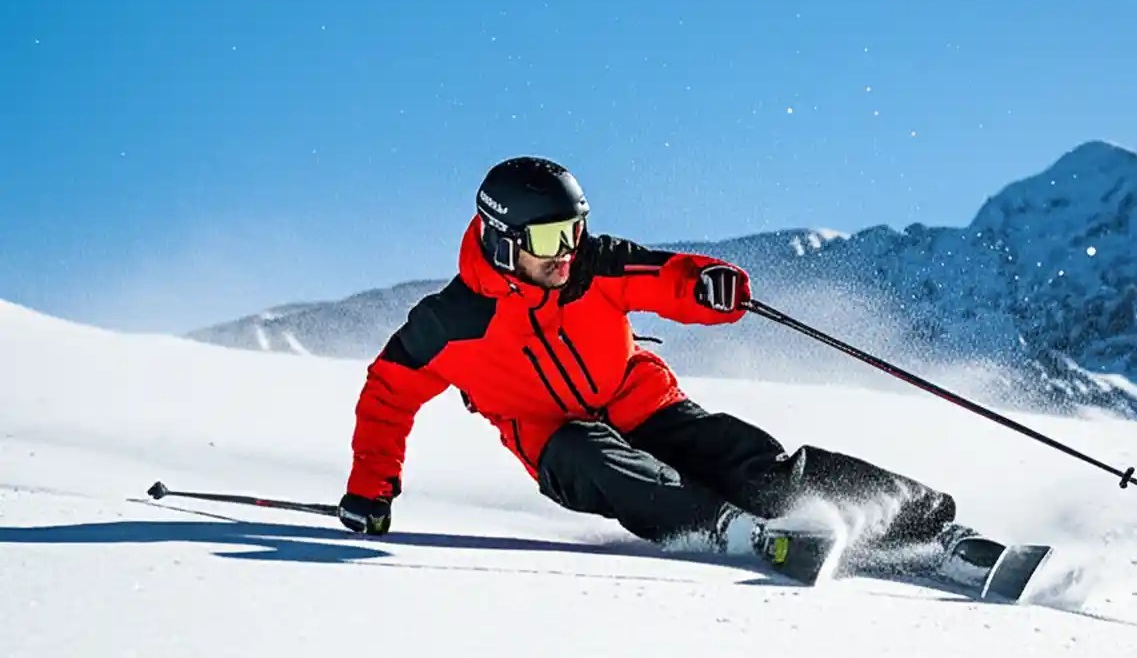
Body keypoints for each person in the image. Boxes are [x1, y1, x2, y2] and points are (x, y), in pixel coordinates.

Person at [337, 156, 982, 578]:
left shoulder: (590, 266)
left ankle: (933, 526)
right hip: (557, 441)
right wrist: (371, 489)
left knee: (749, 462)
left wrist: (709, 286)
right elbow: (388, 393)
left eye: (574, 231)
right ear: (504, 240)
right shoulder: (450, 323)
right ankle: (729, 530)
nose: (566, 252)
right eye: (549, 239)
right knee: (605, 462)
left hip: (641, 401)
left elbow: (665, 277)